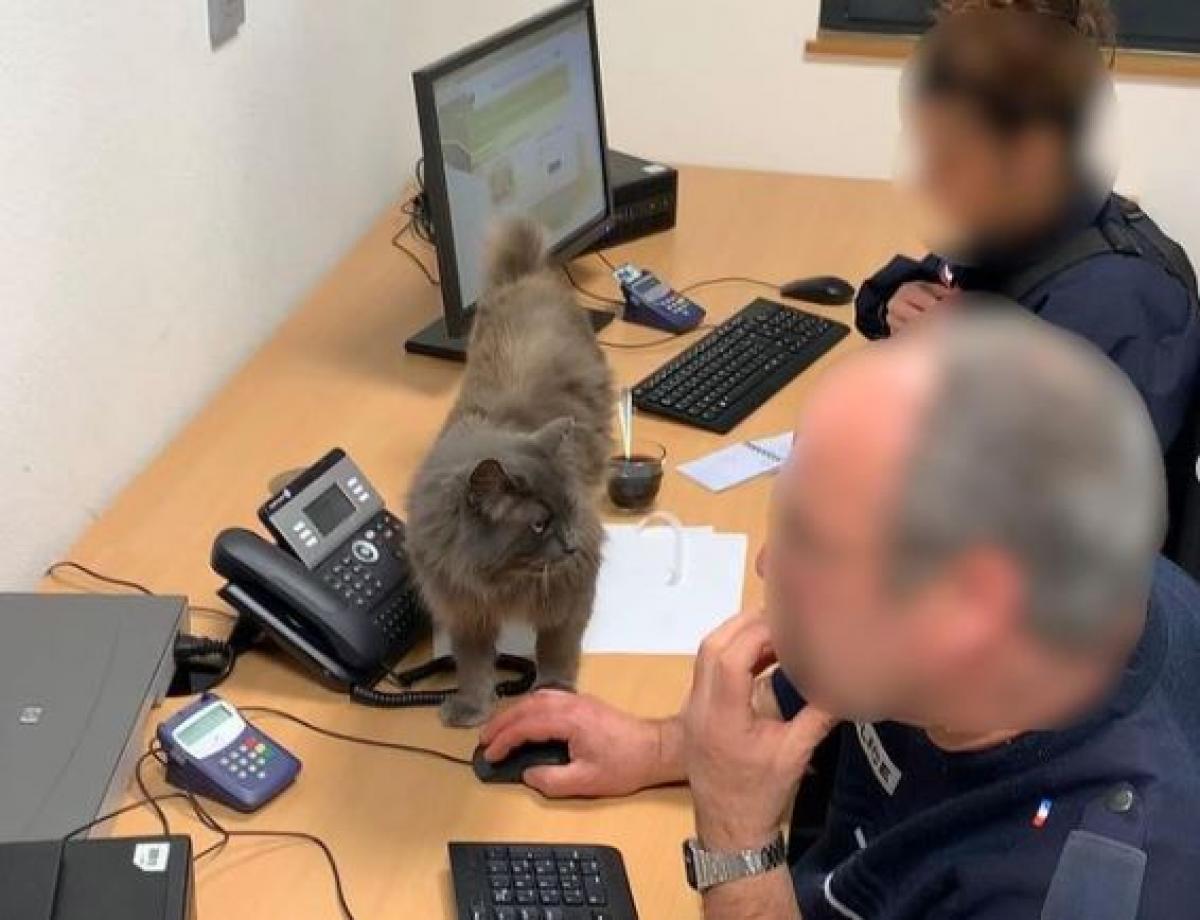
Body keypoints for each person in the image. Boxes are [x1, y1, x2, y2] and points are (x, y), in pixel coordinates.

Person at [480, 312, 1200, 919]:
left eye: (814, 546)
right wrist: (662, 745)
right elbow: (810, 689)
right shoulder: (1020, 599)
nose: (766, 566)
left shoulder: (1088, 886)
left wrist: (735, 838)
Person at [856, 0, 1200, 455]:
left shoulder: (1112, 307)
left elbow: (1057, 507)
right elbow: (944, 275)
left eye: (953, 155)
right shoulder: (1025, 223)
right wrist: (894, 303)